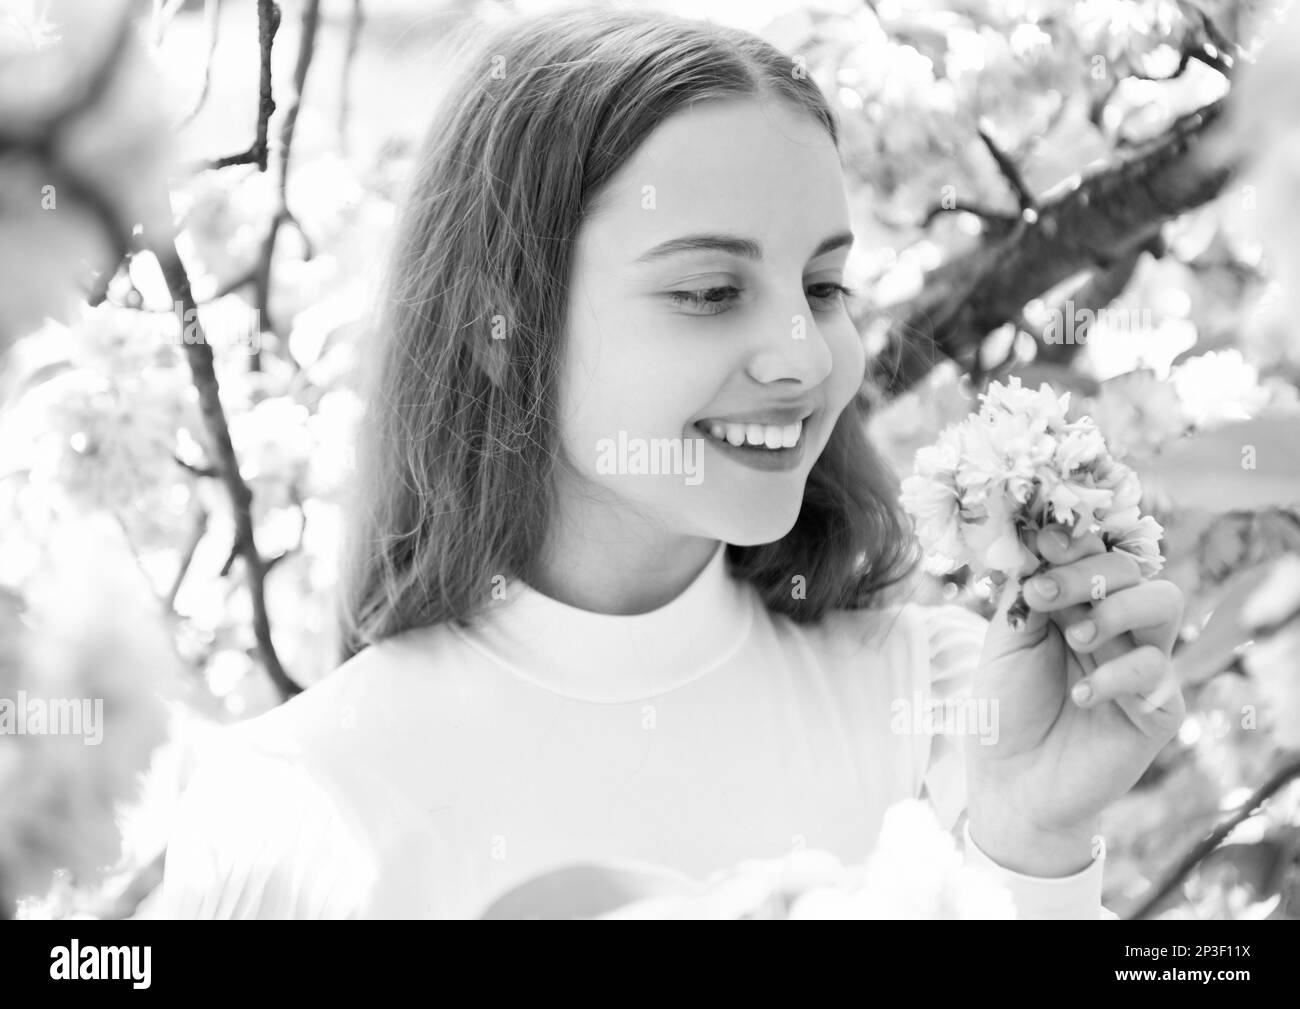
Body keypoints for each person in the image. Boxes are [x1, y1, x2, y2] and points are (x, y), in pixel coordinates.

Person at [156, 6, 1185, 919]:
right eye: (706, 291)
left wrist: (1036, 851)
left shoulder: (940, 703)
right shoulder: (298, 802)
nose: (802, 354)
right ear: (499, 325)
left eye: (822, 286)